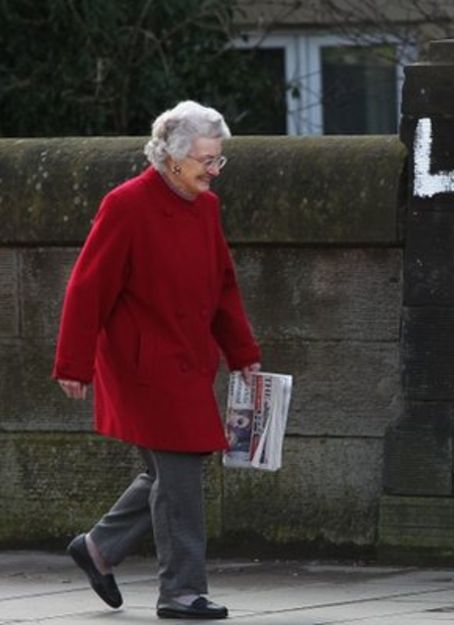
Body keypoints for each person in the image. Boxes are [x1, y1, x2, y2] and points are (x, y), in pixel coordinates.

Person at [53, 100, 261, 620]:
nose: (215, 171)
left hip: (187, 360)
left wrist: (242, 352)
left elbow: (224, 286)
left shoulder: (206, 207)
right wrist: (73, 363)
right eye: (206, 161)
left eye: (218, 160)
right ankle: (182, 591)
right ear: (171, 158)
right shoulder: (125, 205)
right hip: (141, 365)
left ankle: (99, 548)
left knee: (170, 471)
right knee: (180, 476)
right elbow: (87, 288)